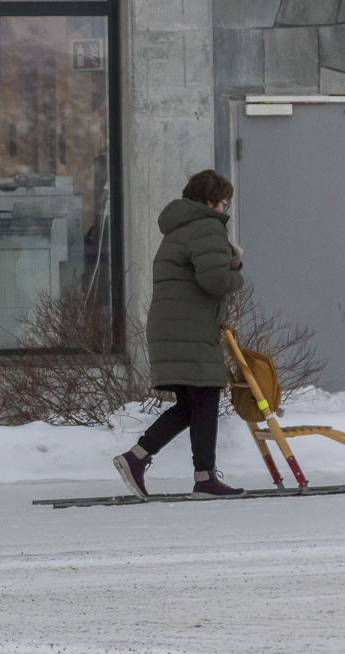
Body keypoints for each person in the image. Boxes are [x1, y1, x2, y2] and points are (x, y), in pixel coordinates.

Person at [114, 169, 246, 500]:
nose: (225, 211)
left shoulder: (178, 228)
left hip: (172, 326)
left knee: (193, 404)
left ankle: (138, 458)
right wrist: (235, 273)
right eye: (224, 203)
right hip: (191, 329)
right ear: (211, 201)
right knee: (205, 397)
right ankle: (202, 479)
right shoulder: (207, 227)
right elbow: (214, 281)